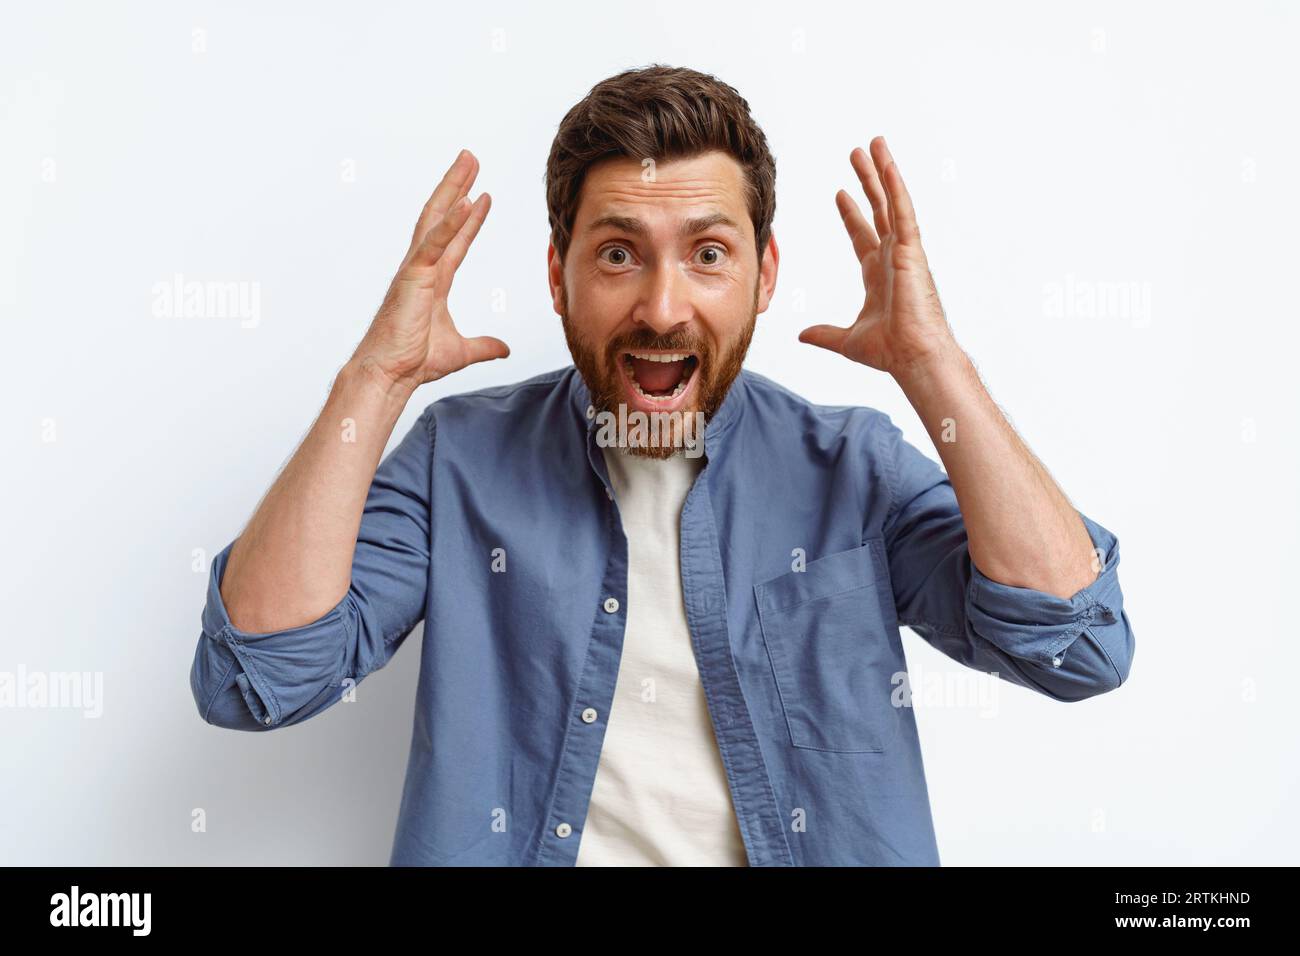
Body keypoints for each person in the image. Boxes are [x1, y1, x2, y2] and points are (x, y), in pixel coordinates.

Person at [189, 64, 1135, 866]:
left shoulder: (854, 468)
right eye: (617, 254)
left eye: (710, 253)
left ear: (765, 275)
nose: (662, 307)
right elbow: (260, 679)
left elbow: (1076, 646)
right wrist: (376, 376)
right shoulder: (458, 462)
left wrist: (937, 368)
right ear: (557, 273)